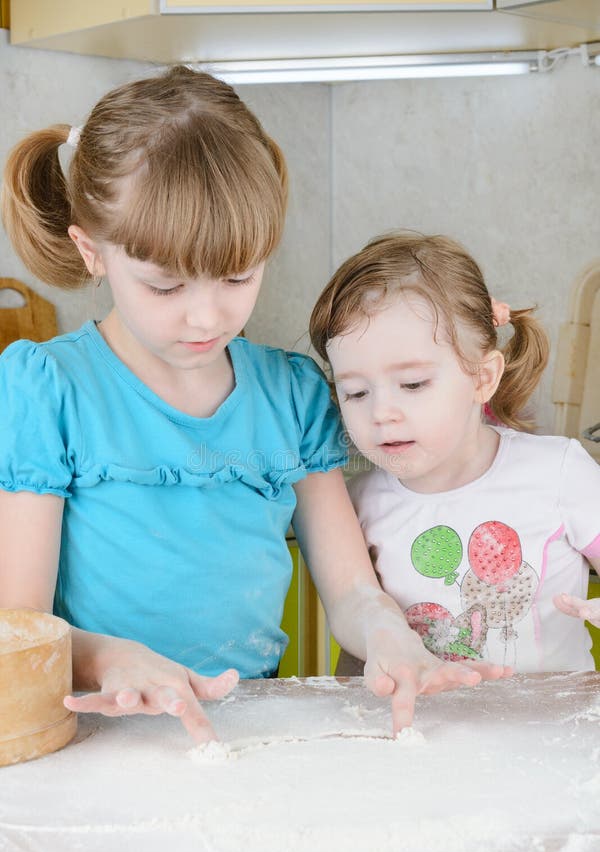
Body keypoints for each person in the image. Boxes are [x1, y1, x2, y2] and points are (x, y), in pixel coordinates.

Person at [0, 70, 508, 745]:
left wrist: (389, 634)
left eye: (238, 275)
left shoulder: (291, 395)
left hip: (252, 732)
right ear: (92, 251)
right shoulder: (51, 389)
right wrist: (103, 656)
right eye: (166, 285)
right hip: (99, 731)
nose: (207, 315)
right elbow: (18, 621)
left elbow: (352, 592)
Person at [310, 231, 600, 673]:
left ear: (483, 378)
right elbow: (362, 652)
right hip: (427, 738)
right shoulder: (357, 505)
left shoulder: (559, 472)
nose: (382, 412)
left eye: (412, 384)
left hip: (553, 734)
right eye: (355, 392)